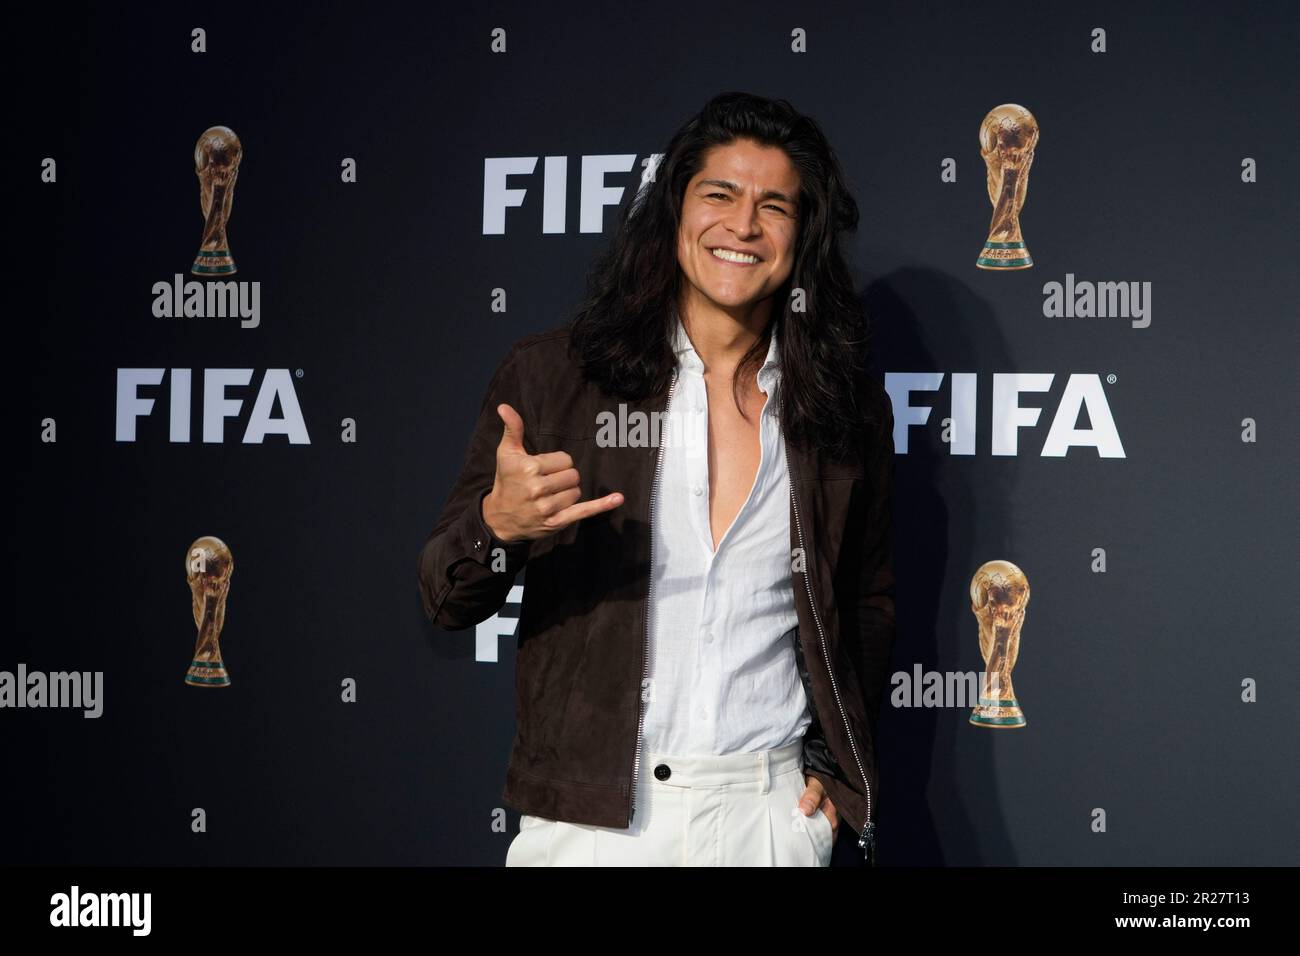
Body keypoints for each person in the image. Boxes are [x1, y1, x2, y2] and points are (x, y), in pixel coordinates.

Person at [417, 91, 896, 866]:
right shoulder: (554, 377)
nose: (743, 226)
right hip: (592, 825)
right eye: (720, 194)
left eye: (774, 205)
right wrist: (497, 526)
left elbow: (865, 602)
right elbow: (442, 597)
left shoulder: (842, 407)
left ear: (802, 235)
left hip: (766, 820)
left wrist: (832, 776)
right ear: (673, 210)